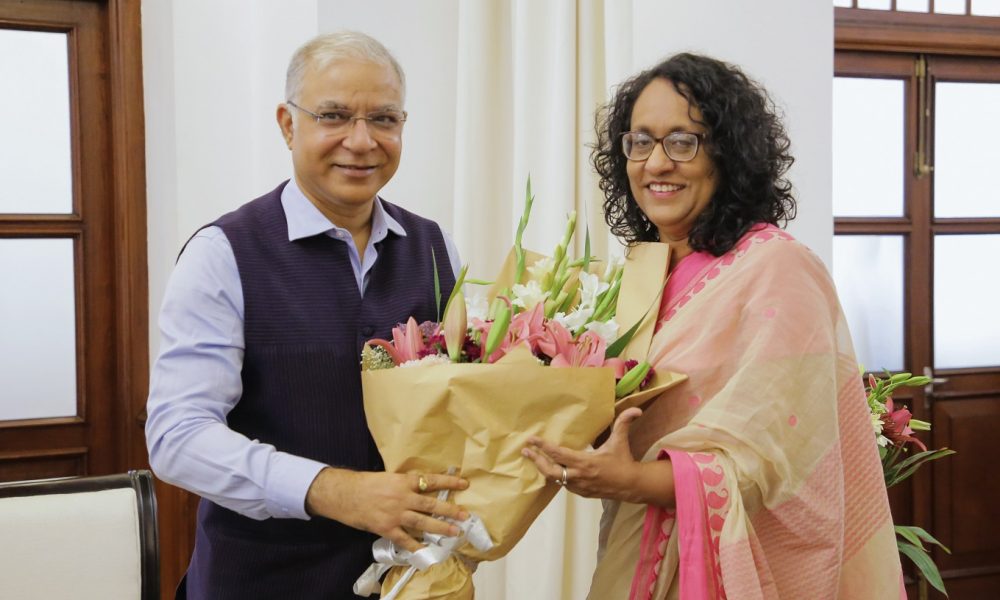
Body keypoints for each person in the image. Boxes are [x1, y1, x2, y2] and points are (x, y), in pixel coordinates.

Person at [523, 53, 904, 599]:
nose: (657, 163)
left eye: (683, 142)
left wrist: (630, 480)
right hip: (635, 554)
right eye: (641, 142)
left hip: (727, 567)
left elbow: (769, 459)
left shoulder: (777, 268)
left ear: (728, 154)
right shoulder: (640, 274)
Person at [145, 31, 469, 599]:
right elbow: (178, 436)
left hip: (410, 582)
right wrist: (332, 489)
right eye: (335, 115)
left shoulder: (435, 248)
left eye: (385, 119)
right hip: (258, 583)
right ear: (288, 124)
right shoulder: (223, 253)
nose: (362, 141)